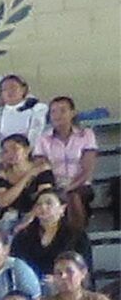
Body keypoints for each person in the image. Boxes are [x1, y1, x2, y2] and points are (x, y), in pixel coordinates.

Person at [40, 95, 99, 230]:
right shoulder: (43, 138)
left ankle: (77, 233)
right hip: (53, 185)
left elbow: (87, 170)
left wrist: (68, 187)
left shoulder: (86, 134)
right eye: (53, 111)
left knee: (73, 195)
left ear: (72, 113)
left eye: (62, 110)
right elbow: (42, 168)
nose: (57, 115)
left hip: (80, 185)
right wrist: (55, 187)